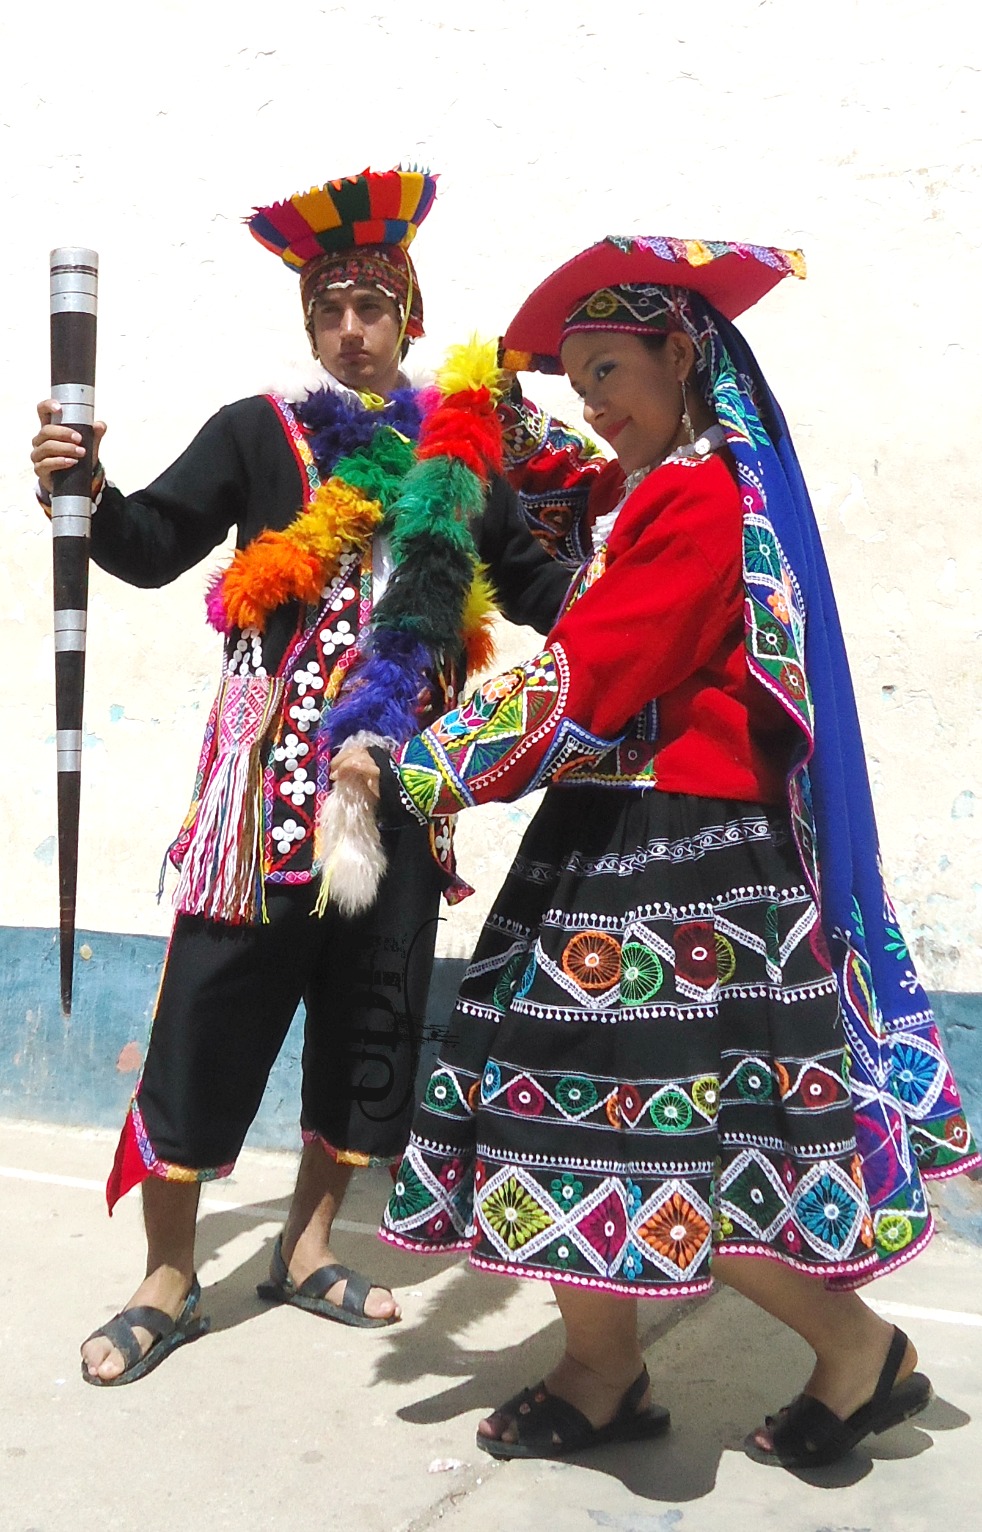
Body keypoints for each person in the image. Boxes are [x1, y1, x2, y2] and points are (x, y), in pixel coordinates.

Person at [331, 235, 981, 1469]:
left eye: (612, 369)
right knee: (576, 1120)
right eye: (575, 382)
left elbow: (598, 665)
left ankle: (855, 1353)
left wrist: (418, 759)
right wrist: (494, 448)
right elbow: (584, 571)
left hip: (680, 868)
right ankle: (599, 1368)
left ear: (684, 354)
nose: (594, 402)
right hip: (624, 847)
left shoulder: (697, 499)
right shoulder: (673, 489)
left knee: (686, 1143)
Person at [31, 166, 570, 1386]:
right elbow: (151, 545)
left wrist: (640, 580)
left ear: (410, 318)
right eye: (330, 307)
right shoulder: (256, 432)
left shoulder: (461, 453)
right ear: (310, 325)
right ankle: (168, 1277)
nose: (350, 325)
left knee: (369, 1029)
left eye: (373, 304)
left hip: (398, 795)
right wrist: (84, 489)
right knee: (204, 1026)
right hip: (264, 803)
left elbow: (537, 589)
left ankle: (307, 1244)